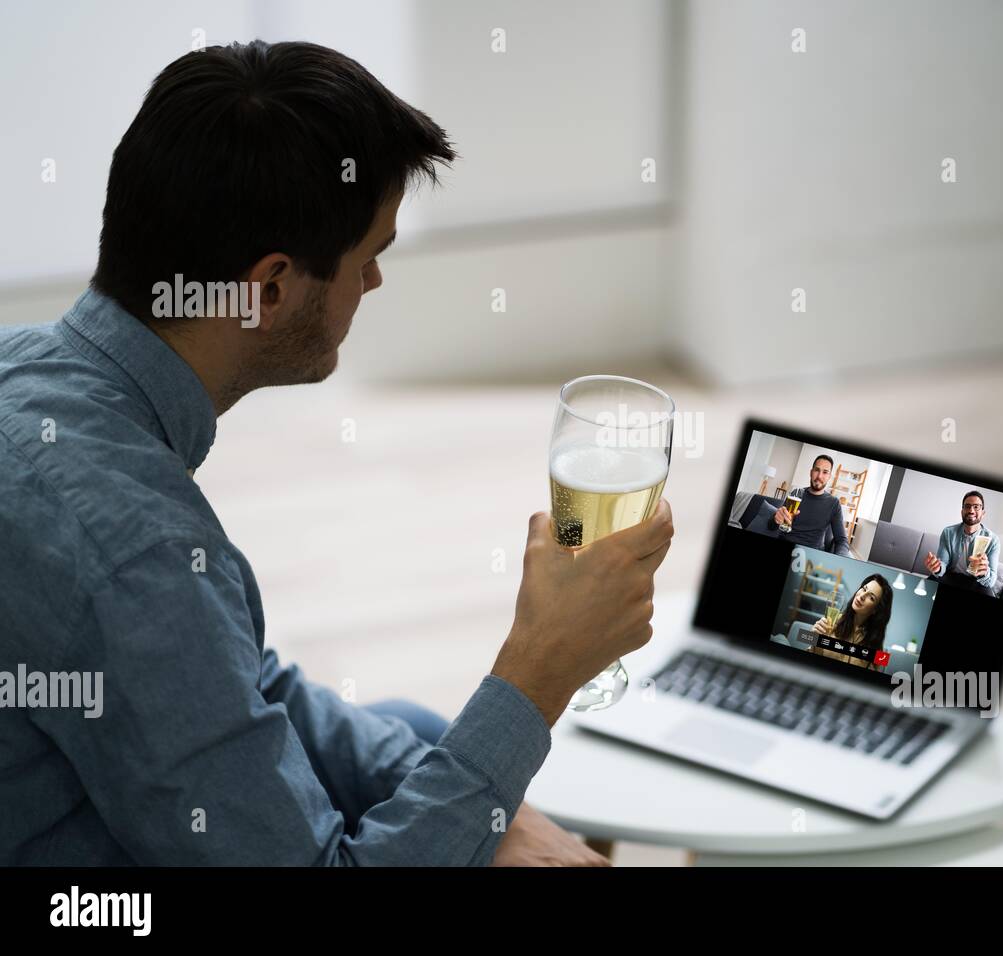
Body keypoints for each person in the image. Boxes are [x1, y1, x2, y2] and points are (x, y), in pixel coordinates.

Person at [0, 40, 674, 867]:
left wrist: (491, 806)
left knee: (422, 742)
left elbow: (233, 679)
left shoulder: (30, 372)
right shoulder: (135, 555)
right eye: (370, 256)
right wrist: (539, 674)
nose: (376, 284)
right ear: (270, 287)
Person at [769, 455, 852, 556]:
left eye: (825, 472)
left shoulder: (834, 503)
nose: (819, 476)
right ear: (811, 472)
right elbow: (771, 526)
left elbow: (842, 540)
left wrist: (841, 556)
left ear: (829, 477)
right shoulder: (796, 493)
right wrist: (776, 519)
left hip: (811, 554)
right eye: (817, 470)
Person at [922, 490, 1000, 597]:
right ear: (962, 511)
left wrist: (984, 572)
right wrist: (938, 568)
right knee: (924, 585)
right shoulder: (948, 532)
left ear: (983, 513)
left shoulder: (993, 540)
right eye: (967, 506)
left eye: (976, 507)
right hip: (949, 577)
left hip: (975, 582)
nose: (971, 510)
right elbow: (943, 563)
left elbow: (991, 582)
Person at [808, 573, 893, 670]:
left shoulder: (874, 642)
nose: (862, 596)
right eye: (864, 589)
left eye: (871, 597)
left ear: (875, 610)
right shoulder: (833, 621)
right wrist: (815, 639)